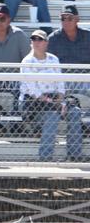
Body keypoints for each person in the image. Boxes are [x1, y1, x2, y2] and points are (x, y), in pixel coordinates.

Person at [21, 30, 84, 162]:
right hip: (34, 103)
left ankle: (75, 155)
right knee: (52, 115)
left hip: (55, 99)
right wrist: (53, 103)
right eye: (34, 39)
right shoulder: (27, 61)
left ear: (46, 43)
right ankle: (45, 158)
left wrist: (61, 100)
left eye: (40, 39)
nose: (36, 42)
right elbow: (33, 91)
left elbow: (60, 83)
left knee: (75, 112)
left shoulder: (53, 59)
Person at [47, 4, 90, 97]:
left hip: (86, 79)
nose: (66, 21)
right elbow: (47, 63)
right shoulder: (53, 39)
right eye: (63, 18)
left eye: (70, 18)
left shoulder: (88, 36)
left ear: (77, 19)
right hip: (62, 80)